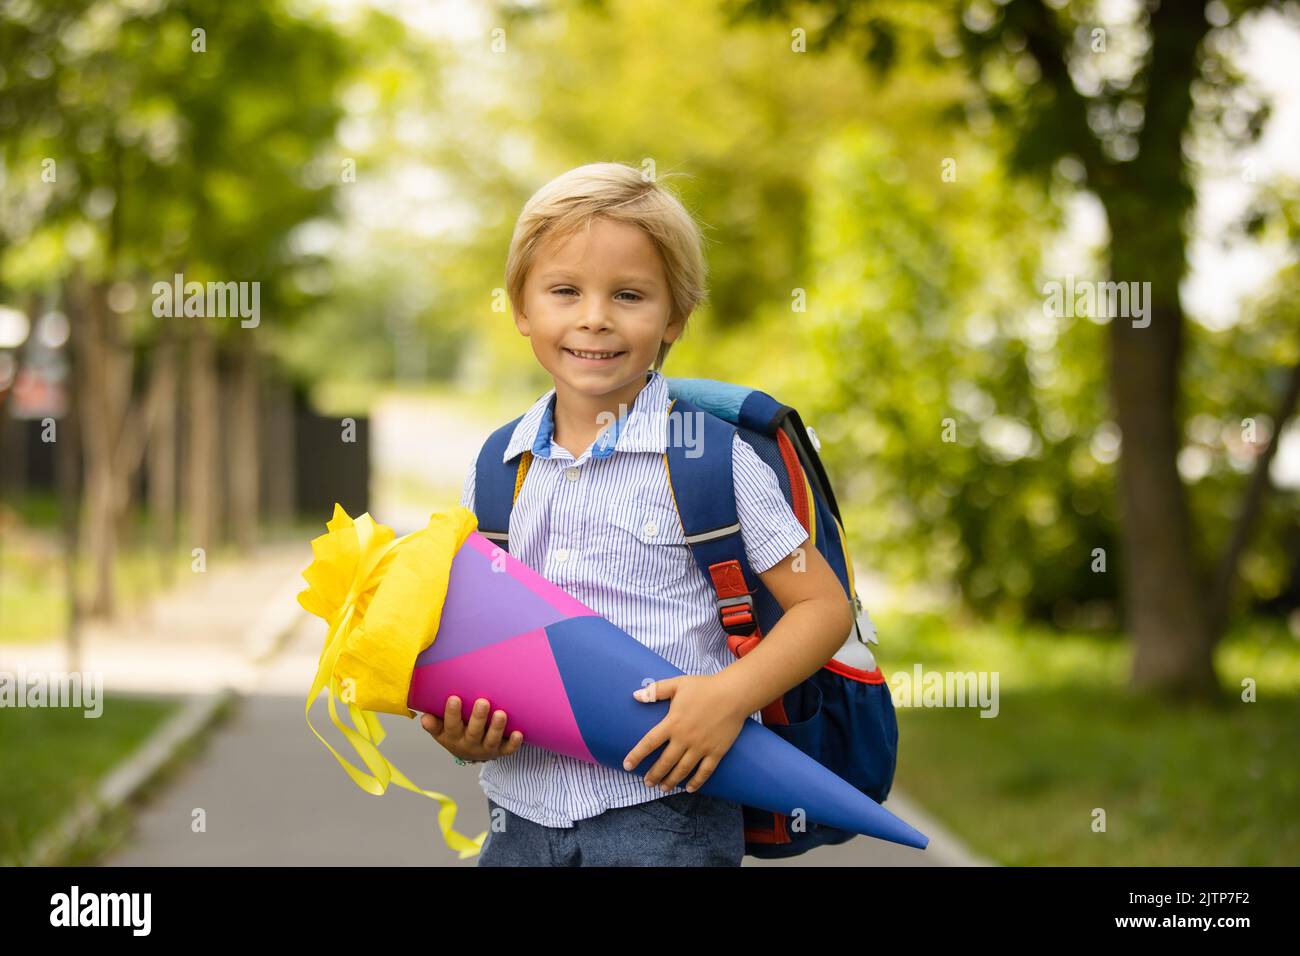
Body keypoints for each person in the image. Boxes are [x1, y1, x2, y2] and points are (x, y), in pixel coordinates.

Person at [420, 161, 853, 866]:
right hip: (519, 812)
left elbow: (822, 609)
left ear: (674, 316)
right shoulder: (497, 468)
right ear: (521, 308)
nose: (595, 316)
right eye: (565, 291)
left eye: (628, 295)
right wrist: (455, 726)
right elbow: (470, 630)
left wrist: (729, 697)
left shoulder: (712, 461)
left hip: (667, 808)